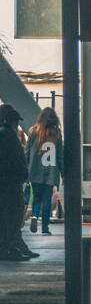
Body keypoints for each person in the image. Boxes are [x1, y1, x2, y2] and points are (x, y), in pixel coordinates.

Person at [0, 104, 38, 260]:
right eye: (15, 122)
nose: (17, 125)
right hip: (9, 184)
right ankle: (8, 248)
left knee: (10, 218)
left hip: (7, 183)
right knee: (11, 217)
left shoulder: (5, 135)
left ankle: (15, 245)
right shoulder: (6, 136)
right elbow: (13, 161)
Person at [26, 107, 62, 236]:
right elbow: (60, 156)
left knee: (36, 197)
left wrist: (26, 168)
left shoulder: (33, 132)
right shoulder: (56, 134)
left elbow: (27, 152)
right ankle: (45, 228)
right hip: (50, 173)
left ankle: (34, 216)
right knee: (47, 200)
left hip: (35, 172)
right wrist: (63, 173)